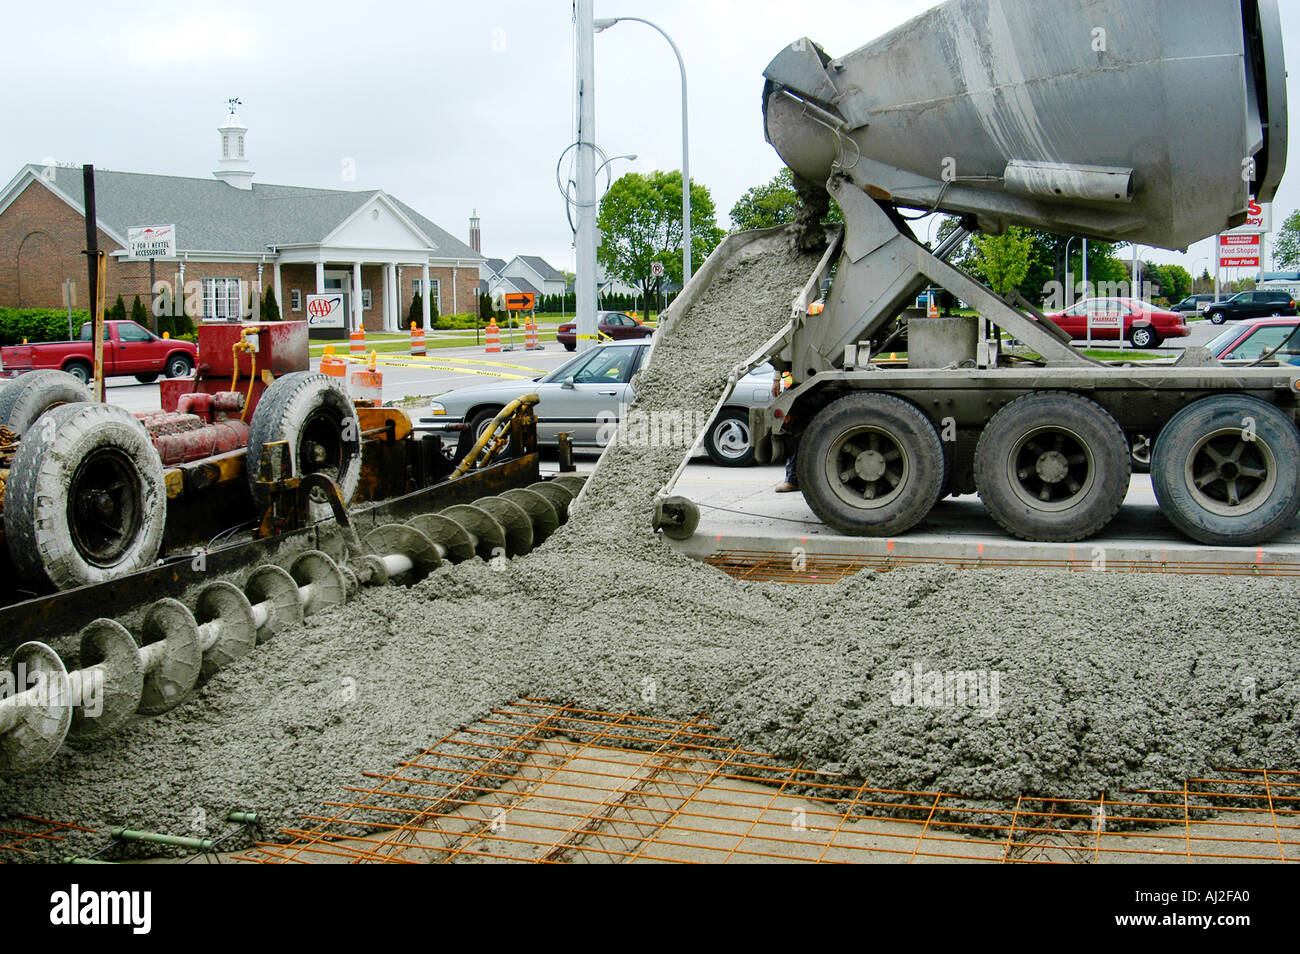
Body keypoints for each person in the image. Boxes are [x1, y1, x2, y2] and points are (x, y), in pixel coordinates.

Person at [773, 368, 798, 493]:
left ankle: (793, 479)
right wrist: (776, 379)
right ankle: (793, 479)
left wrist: (776, 380)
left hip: (798, 389)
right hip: (794, 390)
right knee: (795, 434)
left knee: (797, 434)